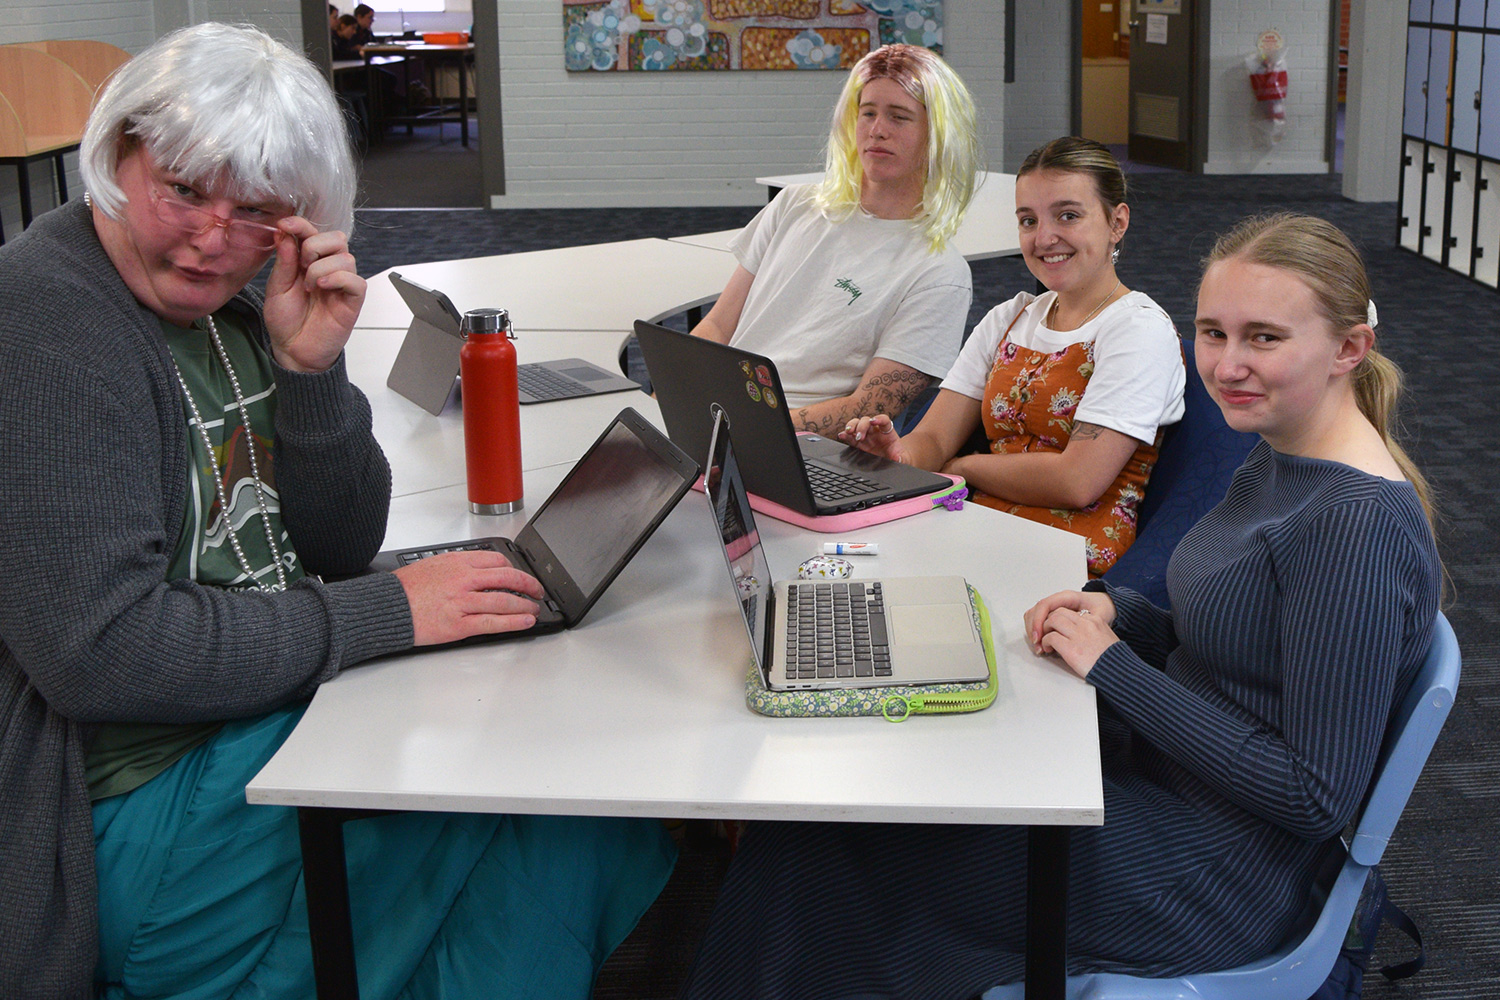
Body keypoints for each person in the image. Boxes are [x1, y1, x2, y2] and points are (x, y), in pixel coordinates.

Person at [0, 23, 673, 1000]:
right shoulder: (46, 324)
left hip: (250, 722)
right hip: (141, 812)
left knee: (563, 772)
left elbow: (337, 542)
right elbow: (102, 651)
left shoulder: (230, 308)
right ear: (116, 157)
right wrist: (388, 613)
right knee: (554, 776)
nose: (211, 239)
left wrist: (309, 368)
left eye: (255, 211)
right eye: (182, 190)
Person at [679, 212, 1441, 998]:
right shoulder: (1283, 452)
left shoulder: (1353, 525)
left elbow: (1312, 795)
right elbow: (1236, 642)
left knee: (821, 853)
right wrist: (1119, 614)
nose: (1227, 365)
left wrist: (1114, 668)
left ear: (1350, 349)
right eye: (1213, 333)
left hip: (1218, 869)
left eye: (1265, 339)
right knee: (852, 806)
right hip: (1166, 778)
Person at [840, 137, 1185, 575]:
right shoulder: (1010, 317)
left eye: (1068, 215)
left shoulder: (1138, 329)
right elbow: (935, 440)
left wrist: (964, 467)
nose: (1044, 238)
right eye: (1028, 220)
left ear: (1117, 222)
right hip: (978, 532)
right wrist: (899, 456)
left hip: (1067, 561)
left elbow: (1077, 481)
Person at [688, 43, 980, 436]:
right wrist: (674, 396)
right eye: (868, 113)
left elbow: (867, 409)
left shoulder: (939, 273)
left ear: (938, 135)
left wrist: (740, 427)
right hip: (718, 417)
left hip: (794, 445)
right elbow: (717, 328)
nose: (877, 130)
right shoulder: (794, 205)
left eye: (899, 117)